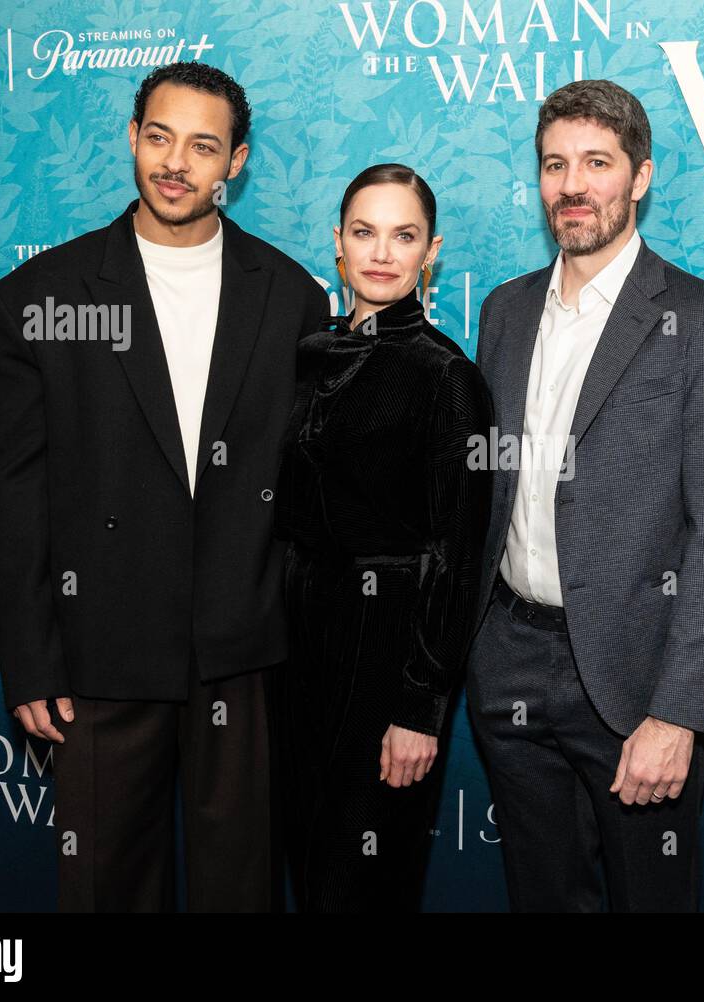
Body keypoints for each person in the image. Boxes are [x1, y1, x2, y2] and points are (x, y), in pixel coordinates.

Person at [0, 61, 330, 911]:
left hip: (242, 661)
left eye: (202, 146)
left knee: (239, 890)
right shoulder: (42, 297)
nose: (176, 162)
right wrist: (32, 660)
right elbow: (19, 492)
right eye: (160, 136)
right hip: (98, 657)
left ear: (235, 164)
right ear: (132, 138)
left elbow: (307, 491)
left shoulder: (292, 299)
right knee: (106, 889)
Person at [465, 79, 704, 912]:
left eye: (597, 163)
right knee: (542, 895)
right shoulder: (505, 311)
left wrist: (678, 712)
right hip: (510, 663)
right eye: (555, 164)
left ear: (640, 177)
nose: (572, 184)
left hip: (636, 681)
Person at [269, 164, 492, 912]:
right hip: (296, 649)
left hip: (385, 652)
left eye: (404, 236)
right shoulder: (310, 356)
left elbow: (455, 557)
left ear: (432, 250)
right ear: (338, 242)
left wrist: (418, 708)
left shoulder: (447, 377)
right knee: (307, 869)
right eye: (364, 232)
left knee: (361, 884)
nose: (382, 253)